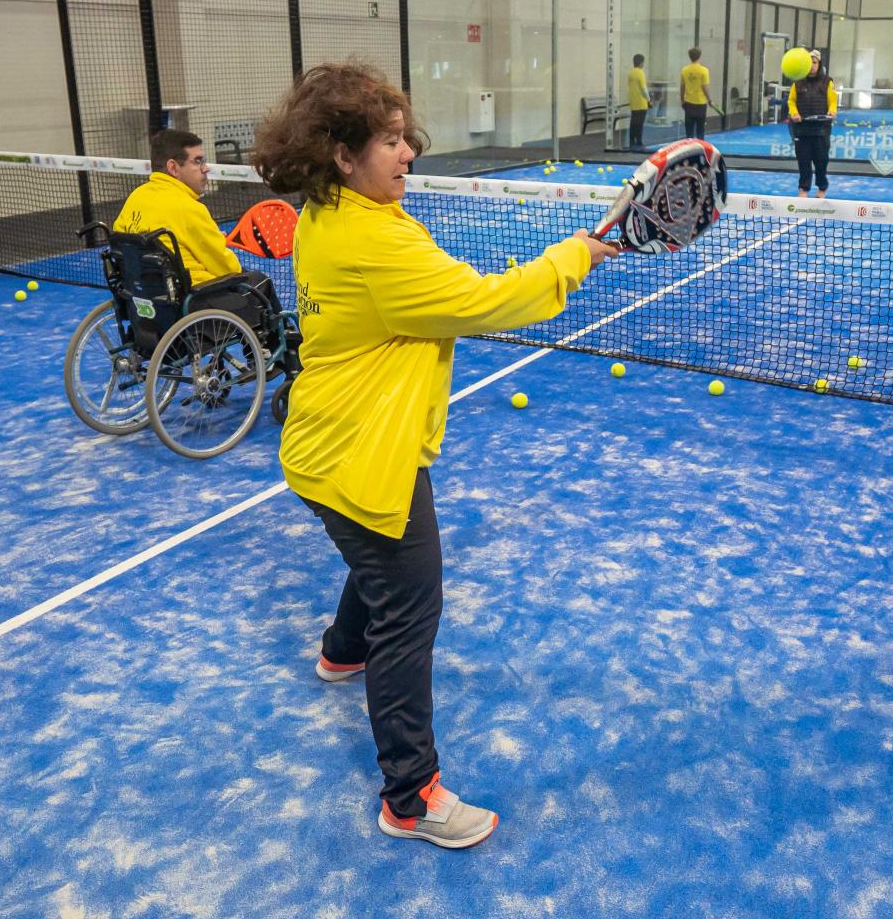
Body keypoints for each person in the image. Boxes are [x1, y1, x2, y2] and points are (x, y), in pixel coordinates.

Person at [251, 62, 619, 848]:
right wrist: (574, 258)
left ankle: (341, 653)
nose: (408, 151)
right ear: (341, 155)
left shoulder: (325, 211)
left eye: (403, 136)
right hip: (361, 454)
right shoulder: (372, 240)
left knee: (377, 567)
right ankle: (410, 798)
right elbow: (482, 302)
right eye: (388, 141)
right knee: (410, 611)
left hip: (326, 445)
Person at [117, 128, 280, 326]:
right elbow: (227, 269)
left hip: (147, 306)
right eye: (197, 161)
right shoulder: (189, 209)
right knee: (259, 283)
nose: (206, 168)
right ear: (174, 168)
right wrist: (219, 246)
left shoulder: (136, 198)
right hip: (192, 306)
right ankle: (281, 353)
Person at [788, 48, 837, 197]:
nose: (812, 66)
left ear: (819, 63)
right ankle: (803, 188)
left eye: (814, 62)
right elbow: (791, 101)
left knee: (821, 161)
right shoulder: (797, 83)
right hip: (802, 130)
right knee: (803, 161)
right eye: (809, 63)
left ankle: (822, 188)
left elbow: (833, 100)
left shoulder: (827, 82)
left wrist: (832, 111)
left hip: (821, 130)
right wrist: (794, 113)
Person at [680, 47, 711, 140]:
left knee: (689, 130)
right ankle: (700, 149)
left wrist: (682, 100)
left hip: (689, 103)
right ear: (699, 56)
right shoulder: (704, 70)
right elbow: (705, 87)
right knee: (700, 129)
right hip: (700, 103)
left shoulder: (684, 70)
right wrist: (709, 99)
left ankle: (689, 150)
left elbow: (682, 87)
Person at [627, 52, 650, 151]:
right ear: (641, 63)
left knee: (633, 122)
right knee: (640, 123)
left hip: (633, 101)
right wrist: (649, 99)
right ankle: (639, 141)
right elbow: (644, 89)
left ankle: (632, 141)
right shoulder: (640, 73)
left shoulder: (630, 73)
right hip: (641, 102)